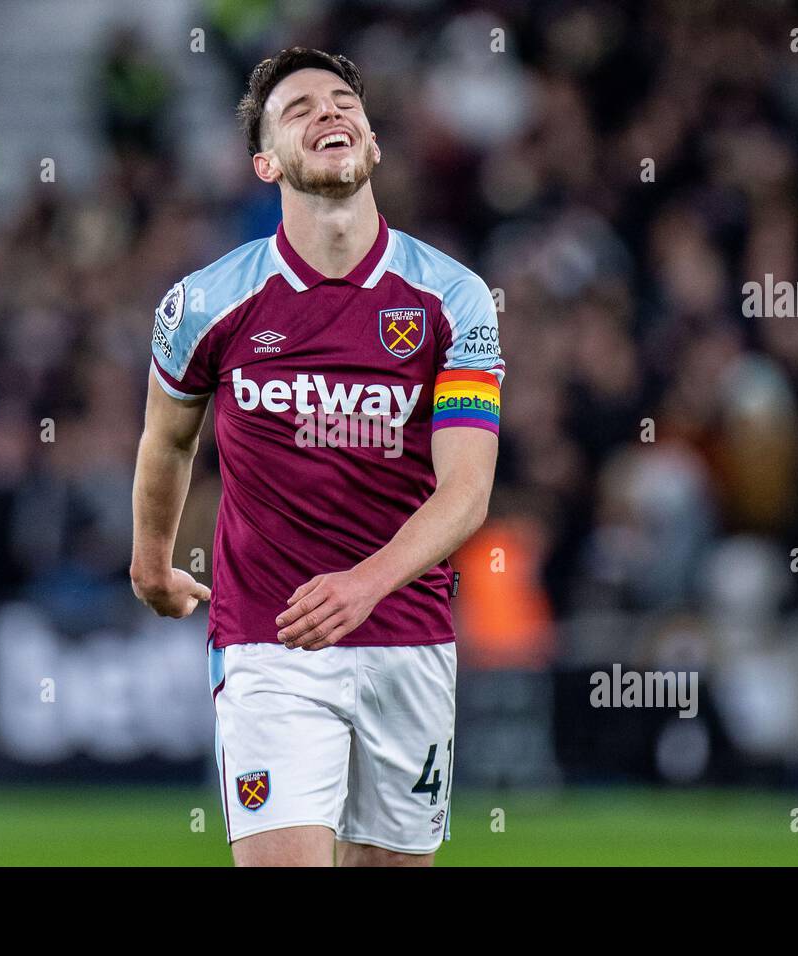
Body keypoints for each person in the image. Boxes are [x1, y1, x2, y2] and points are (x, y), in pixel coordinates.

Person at [130, 47, 503, 867]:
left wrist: (365, 585)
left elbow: (467, 491)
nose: (328, 113)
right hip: (270, 641)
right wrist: (151, 563)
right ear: (266, 162)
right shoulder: (203, 304)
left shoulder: (453, 300)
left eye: (343, 103)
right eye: (299, 109)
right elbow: (168, 437)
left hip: (409, 638)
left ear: (372, 143)